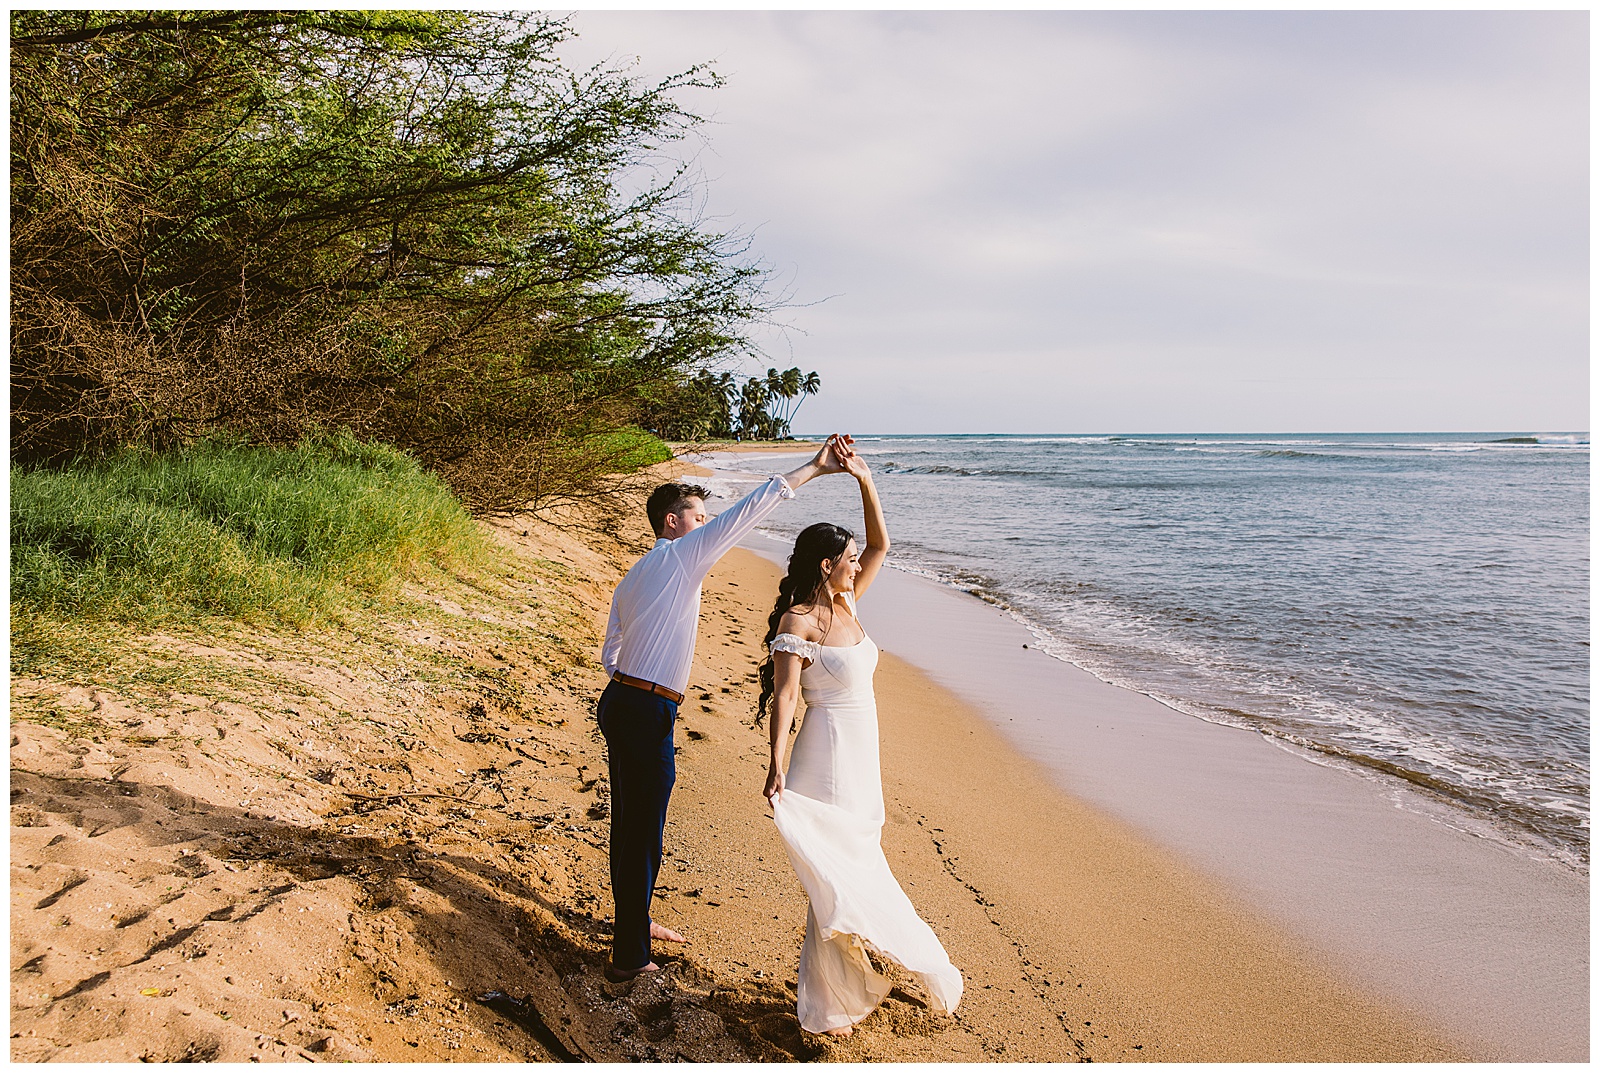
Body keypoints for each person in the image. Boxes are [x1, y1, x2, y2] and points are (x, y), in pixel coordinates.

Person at [598, 434, 854, 984]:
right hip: (643, 708)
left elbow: (611, 648)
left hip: (625, 699)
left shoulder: (640, 571)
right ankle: (628, 956)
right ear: (672, 522)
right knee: (643, 828)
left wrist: (638, 680)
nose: (706, 525)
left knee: (635, 823)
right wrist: (815, 467)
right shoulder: (681, 556)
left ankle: (634, 924)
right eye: (698, 517)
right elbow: (751, 508)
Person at [759, 443, 963, 1036]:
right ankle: (826, 1002)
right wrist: (775, 761)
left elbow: (881, 545)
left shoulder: (849, 601)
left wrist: (865, 482)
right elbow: (789, 696)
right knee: (832, 872)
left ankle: (842, 985)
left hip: (861, 751)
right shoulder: (797, 622)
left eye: (853, 558)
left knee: (855, 862)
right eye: (846, 558)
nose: (856, 563)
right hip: (823, 755)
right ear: (826, 564)